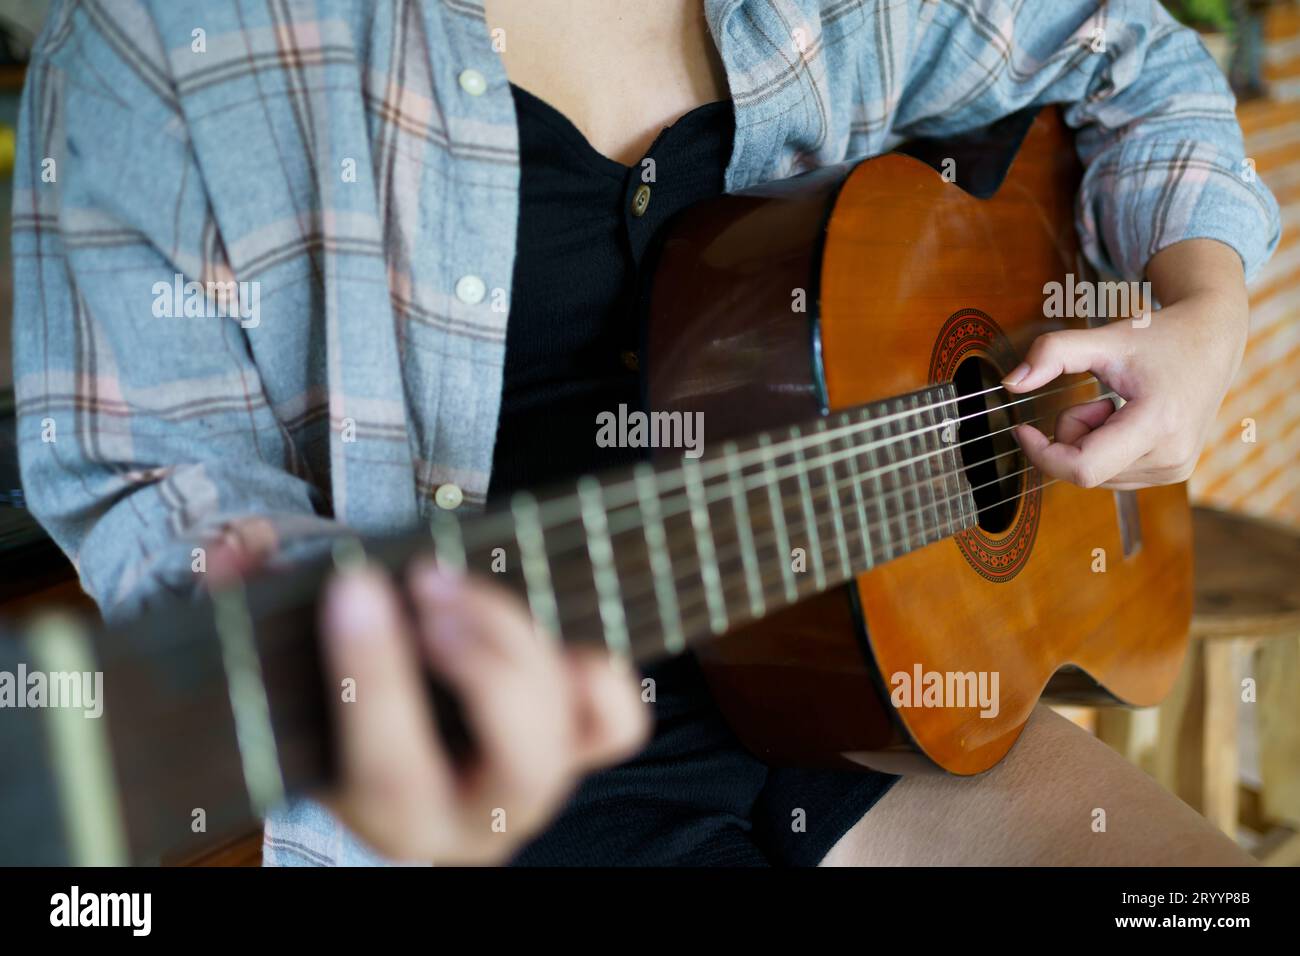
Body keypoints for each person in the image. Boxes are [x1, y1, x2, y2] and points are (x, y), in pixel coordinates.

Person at [12, 0, 1279, 866]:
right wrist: (338, 677)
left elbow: (1133, 50)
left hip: (856, 708)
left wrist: (1206, 312)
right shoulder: (160, 43)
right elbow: (154, 486)